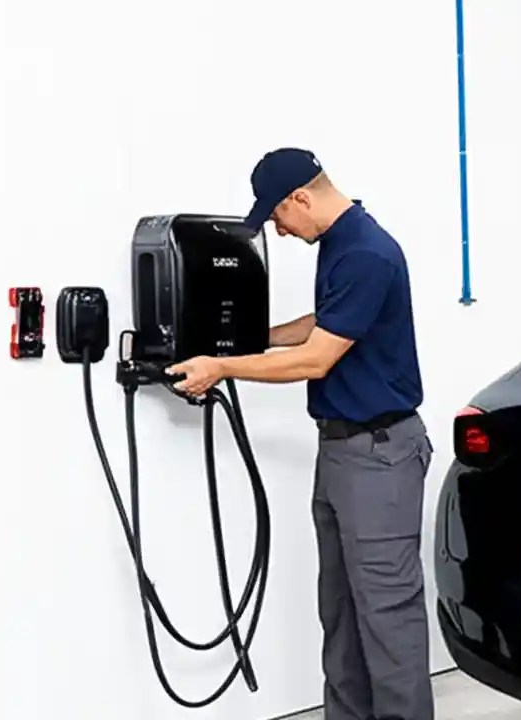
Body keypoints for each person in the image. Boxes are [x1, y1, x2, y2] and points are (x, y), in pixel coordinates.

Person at [167, 147, 434, 720]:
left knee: (388, 619)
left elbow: (317, 360)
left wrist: (222, 367)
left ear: (301, 198)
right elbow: (328, 320)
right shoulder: (341, 244)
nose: (280, 232)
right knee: (339, 611)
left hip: (379, 456)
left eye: (278, 218)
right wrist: (249, 339)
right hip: (341, 451)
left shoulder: (367, 251)